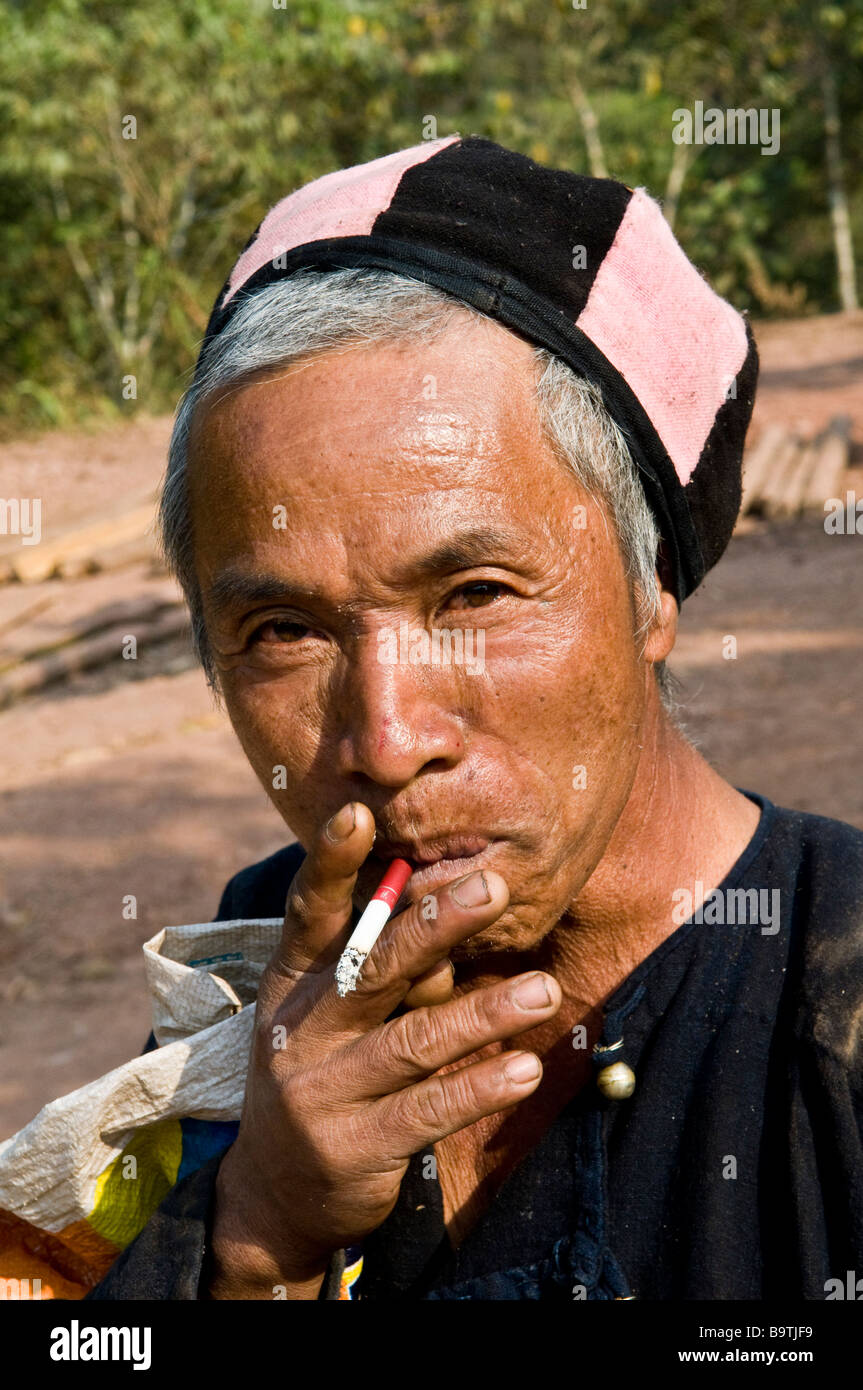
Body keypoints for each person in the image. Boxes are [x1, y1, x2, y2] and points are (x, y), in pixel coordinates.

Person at [88, 136, 863, 1300]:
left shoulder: (834, 1001)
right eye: (284, 632)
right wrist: (258, 1237)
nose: (388, 741)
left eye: (475, 595)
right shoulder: (260, 966)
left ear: (650, 584)